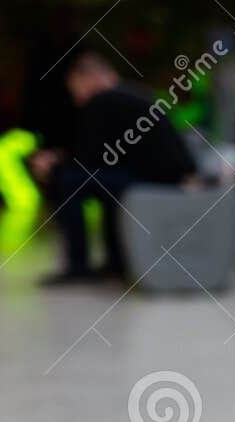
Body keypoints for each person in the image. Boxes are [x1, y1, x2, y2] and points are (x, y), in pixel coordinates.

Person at [29, 50, 197, 285]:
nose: (75, 96)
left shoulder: (103, 100)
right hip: (164, 175)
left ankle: (78, 267)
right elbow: (104, 156)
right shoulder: (129, 94)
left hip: (154, 179)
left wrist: (53, 167)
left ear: (86, 79)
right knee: (102, 183)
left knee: (68, 183)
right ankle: (115, 263)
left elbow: (92, 158)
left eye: (74, 87)